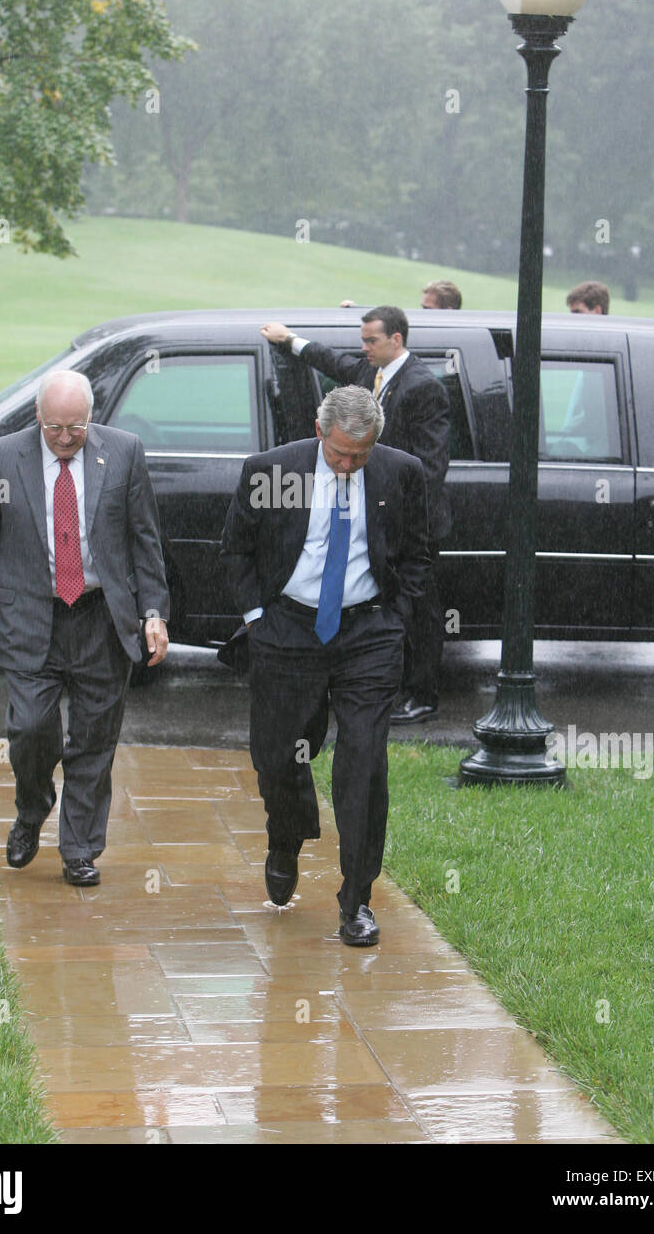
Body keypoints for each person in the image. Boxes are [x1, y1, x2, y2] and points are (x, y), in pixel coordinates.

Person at [221, 385, 429, 946]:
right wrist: (258, 617)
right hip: (287, 627)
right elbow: (235, 549)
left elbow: (418, 554)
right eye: (338, 453)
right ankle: (285, 835)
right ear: (320, 431)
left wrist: (397, 618)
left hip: (368, 634)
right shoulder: (272, 470)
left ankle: (356, 899)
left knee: (363, 763)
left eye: (359, 456)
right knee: (278, 754)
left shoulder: (400, 474)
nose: (347, 464)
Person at [0, 369, 169, 887]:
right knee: (29, 729)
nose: (67, 437)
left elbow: (145, 541)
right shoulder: (2, 458)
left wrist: (154, 612)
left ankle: (79, 849)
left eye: (76, 426)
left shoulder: (123, 452)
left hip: (102, 618)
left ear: (90, 418)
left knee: (94, 740)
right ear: (37, 417)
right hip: (30, 618)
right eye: (56, 428)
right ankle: (33, 808)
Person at [261, 306, 451, 723]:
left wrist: (393, 512)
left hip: (410, 523)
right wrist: (290, 340)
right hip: (381, 517)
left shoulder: (423, 387)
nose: (363, 348)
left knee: (420, 608)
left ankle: (423, 693)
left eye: (371, 341)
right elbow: (334, 362)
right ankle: (390, 682)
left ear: (396, 340)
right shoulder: (373, 375)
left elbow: (431, 468)